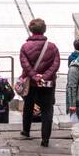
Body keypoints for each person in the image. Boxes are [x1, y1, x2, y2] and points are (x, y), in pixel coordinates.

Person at [18, 18, 60, 146]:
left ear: (31, 29)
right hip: (47, 84)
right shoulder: (52, 47)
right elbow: (56, 64)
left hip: (31, 83)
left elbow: (25, 65)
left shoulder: (25, 47)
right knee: (47, 109)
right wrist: (45, 77)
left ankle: (26, 130)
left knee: (28, 105)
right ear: (44, 29)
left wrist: (35, 77)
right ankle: (45, 139)